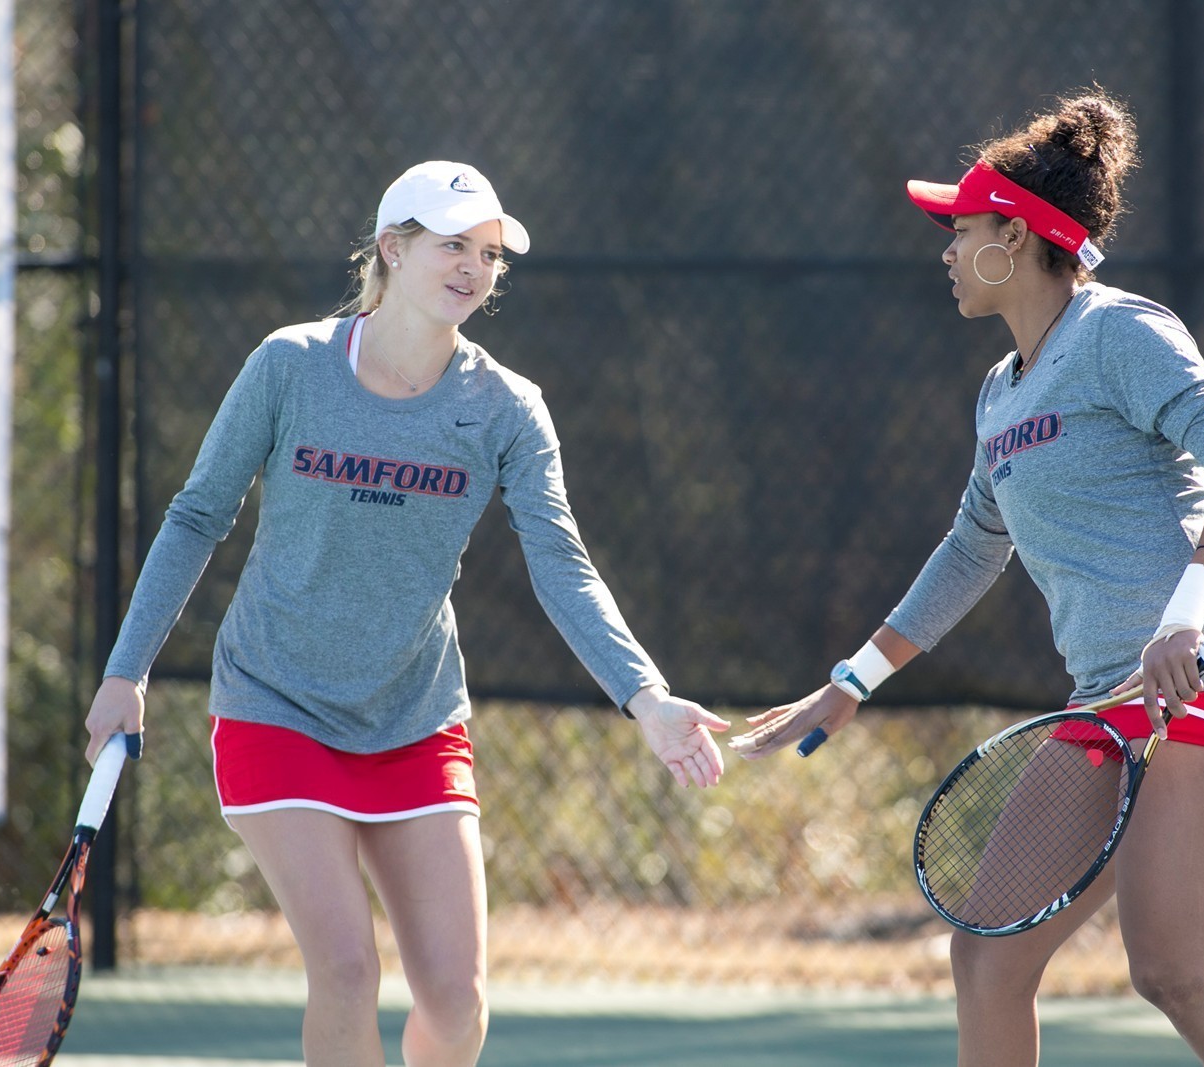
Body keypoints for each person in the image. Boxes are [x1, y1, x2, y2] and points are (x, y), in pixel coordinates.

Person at [84, 160, 730, 1067]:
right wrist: (126, 671)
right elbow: (197, 516)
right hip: (276, 705)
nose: (473, 267)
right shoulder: (288, 366)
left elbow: (562, 564)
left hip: (414, 720)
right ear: (392, 249)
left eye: (489, 253)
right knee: (346, 971)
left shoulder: (508, 408)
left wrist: (647, 696)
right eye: (451, 245)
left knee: (459, 1007)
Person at [730, 91, 1204, 1067]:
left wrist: (1183, 616)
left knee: (1171, 966)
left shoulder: (1121, 333)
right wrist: (853, 679)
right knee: (987, 953)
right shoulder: (1001, 392)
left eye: (961, 231)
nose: (947, 251)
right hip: (1108, 698)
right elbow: (970, 547)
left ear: (1016, 235)